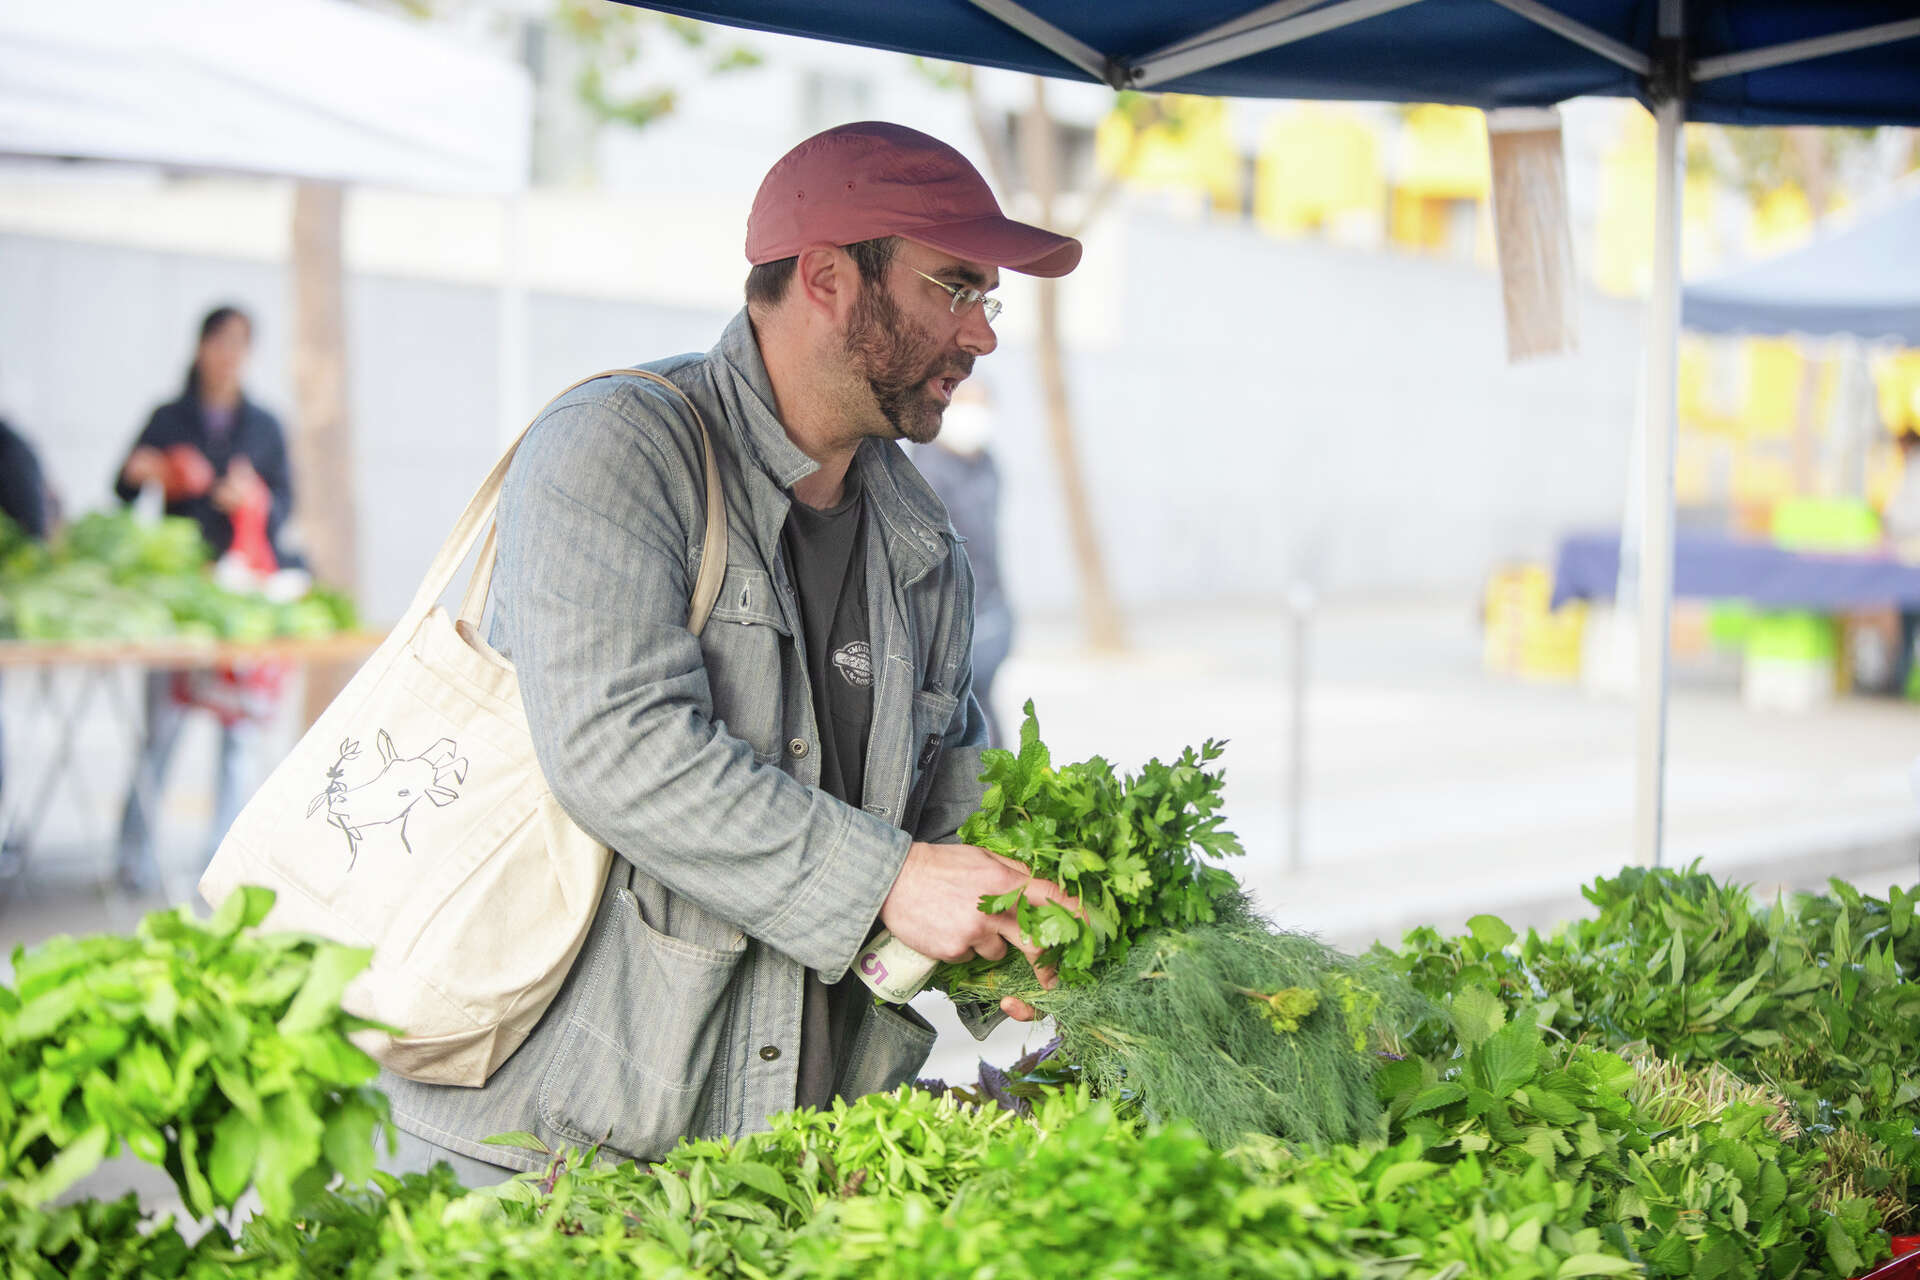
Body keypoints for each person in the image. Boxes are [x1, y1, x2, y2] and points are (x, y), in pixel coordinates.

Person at [377, 121, 1084, 1186]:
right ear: (829, 279)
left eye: (990, 299)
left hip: (783, 1164)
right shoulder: (618, 446)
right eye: (955, 288)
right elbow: (621, 746)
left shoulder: (922, 542)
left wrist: (1020, 928)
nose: (981, 334)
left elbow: (947, 794)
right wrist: (894, 879)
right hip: (545, 1157)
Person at [111, 305, 295, 893]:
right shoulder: (169, 417)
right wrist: (157, 469)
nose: (228, 354)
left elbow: (285, 506)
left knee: (238, 735)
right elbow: (122, 487)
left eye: (240, 343)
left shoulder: (264, 425)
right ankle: (133, 860)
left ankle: (221, 868)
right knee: (161, 730)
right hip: (180, 596)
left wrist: (252, 497)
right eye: (220, 342)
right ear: (200, 347)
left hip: (237, 600)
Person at [910, 379, 1013, 745]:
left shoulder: (987, 464)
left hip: (989, 611)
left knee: (984, 717)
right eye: (966, 402)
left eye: (983, 404)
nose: (975, 415)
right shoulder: (923, 470)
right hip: (945, 619)